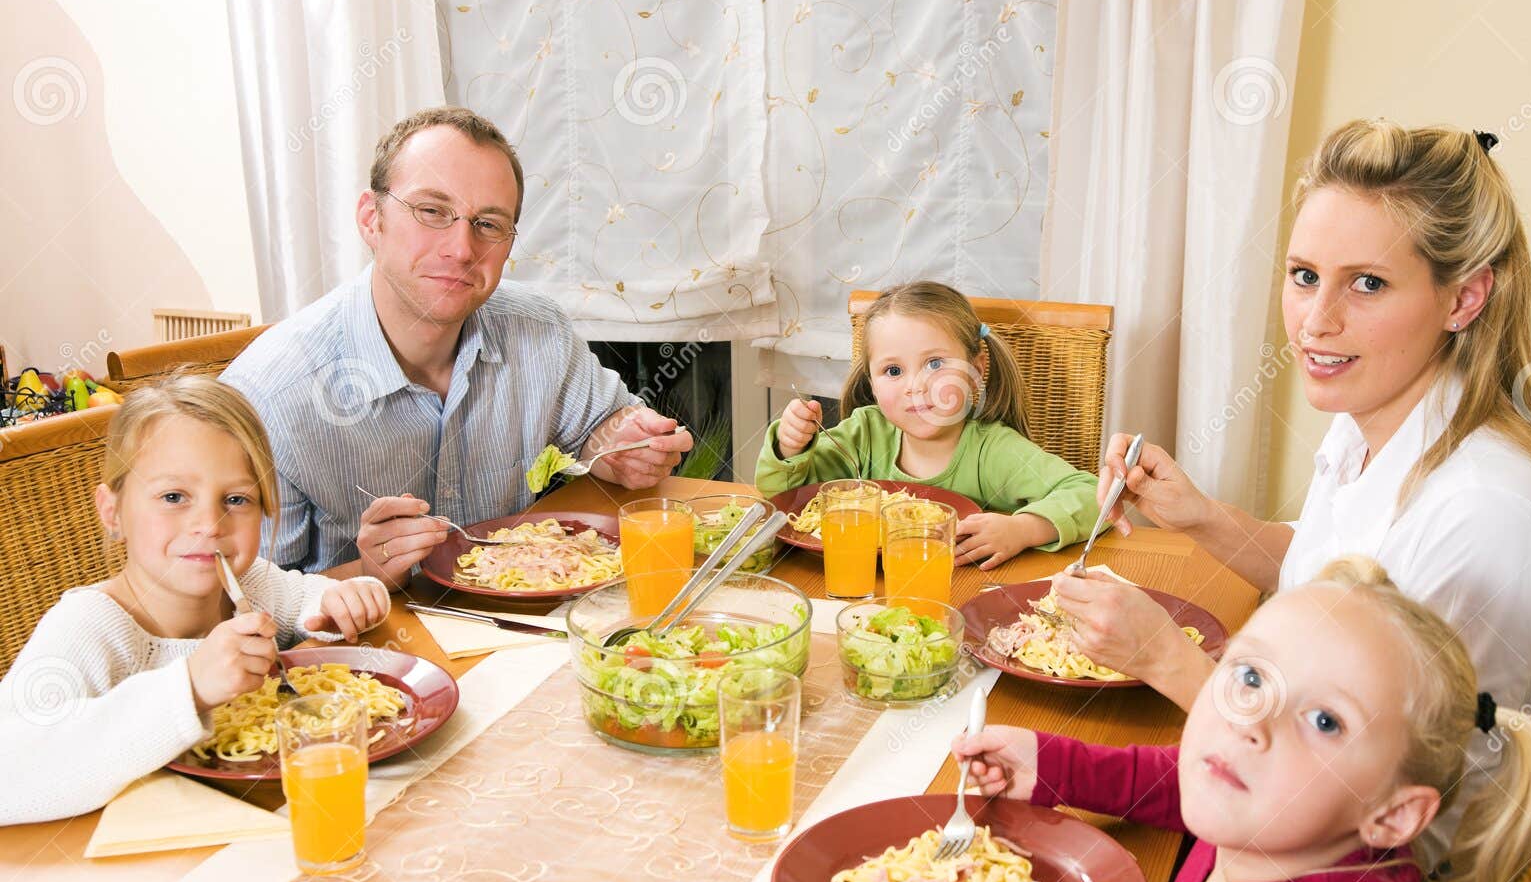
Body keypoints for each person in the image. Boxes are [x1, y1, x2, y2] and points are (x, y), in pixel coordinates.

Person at [1045, 121, 1531, 851]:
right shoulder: (1376, 405)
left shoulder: (1483, 518)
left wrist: (1164, 659)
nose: (1316, 322)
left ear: (1464, 299)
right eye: (1304, 275)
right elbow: (1338, 581)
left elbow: (1375, 800)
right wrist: (1202, 518)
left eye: (1367, 283)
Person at [809, 557, 1531, 882]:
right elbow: (1193, 778)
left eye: (1325, 721)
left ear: (1394, 815)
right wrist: (1057, 764)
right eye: (1250, 678)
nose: (1249, 723)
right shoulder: (1296, 827)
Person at [222, 106, 693, 587]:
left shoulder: (538, 329)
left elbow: (602, 432)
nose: (462, 249)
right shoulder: (267, 397)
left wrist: (623, 448)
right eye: (431, 211)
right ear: (371, 219)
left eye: (488, 224)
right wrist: (367, 572)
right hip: (377, 653)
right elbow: (241, 603)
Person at [0, 377, 390, 826]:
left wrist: (348, 599)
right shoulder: (89, 624)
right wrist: (190, 686)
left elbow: (311, 596)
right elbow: (12, 769)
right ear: (112, 512)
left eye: (236, 499)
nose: (209, 523)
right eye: (173, 497)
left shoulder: (250, 586)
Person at [755, 281, 1100, 569]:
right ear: (872, 384)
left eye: (935, 363)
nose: (915, 386)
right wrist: (790, 447)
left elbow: (1093, 495)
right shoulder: (863, 433)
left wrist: (1022, 529)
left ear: (976, 370)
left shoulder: (993, 451)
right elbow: (784, 498)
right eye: (893, 371)